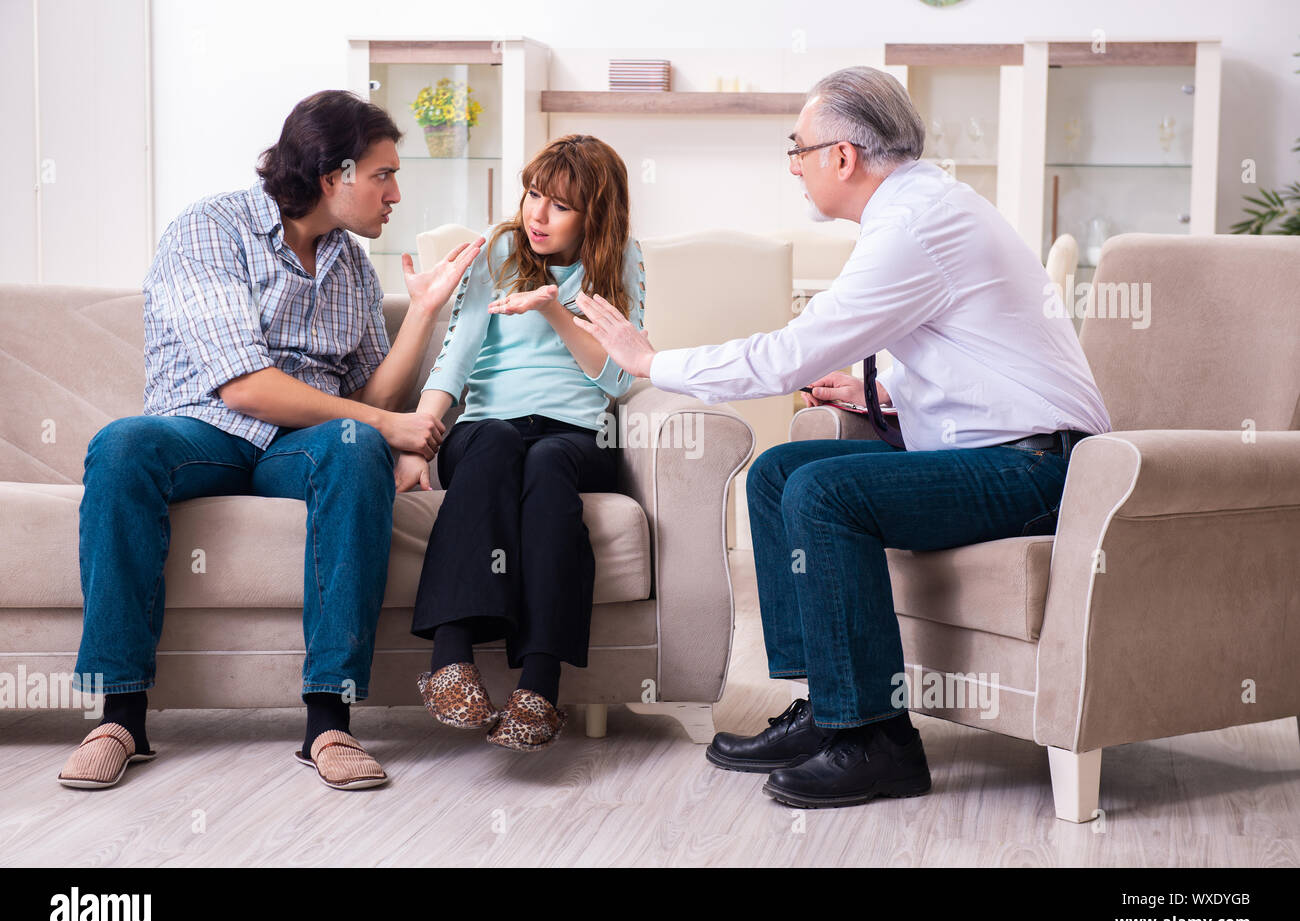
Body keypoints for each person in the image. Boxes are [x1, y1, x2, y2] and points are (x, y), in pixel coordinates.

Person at [573, 66, 1111, 808]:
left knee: (826, 492)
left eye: (797, 149)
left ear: (843, 157)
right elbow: (974, 351)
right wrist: (883, 393)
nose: (793, 167)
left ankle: (877, 739)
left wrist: (651, 360)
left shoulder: (915, 224)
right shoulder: (917, 209)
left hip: (1040, 471)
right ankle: (828, 708)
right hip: (996, 448)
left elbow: (794, 351)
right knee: (778, 472)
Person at [58, 90, 483, 791]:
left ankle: (330, 719)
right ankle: (120, 716)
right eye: (383, 175)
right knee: (121, 446)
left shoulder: (348, 263)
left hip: (302, 447)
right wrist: (386, 424)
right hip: (204, 431)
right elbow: (244, 388)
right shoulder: (209, 229)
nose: (396, 193)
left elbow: (366, 404)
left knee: (353, 446)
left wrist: (424, 313)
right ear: (333, 177)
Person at [401, 133, 644, 752]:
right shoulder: (500, 250)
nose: (536, 214)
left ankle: (540, 686)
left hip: (579, 433)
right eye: (534, 195)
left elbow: (621, 374)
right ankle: (450, 662)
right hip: (489, 427)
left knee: (549, 460)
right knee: (498, 447)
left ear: (596, 215)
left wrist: (557, 311)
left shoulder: (623, 262)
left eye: (559, 205)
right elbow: (455, 356)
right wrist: (418, 442)